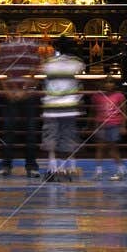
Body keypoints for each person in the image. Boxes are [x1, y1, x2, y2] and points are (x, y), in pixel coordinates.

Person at [0, 34, 42, 176]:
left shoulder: (32, 46)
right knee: (10, 130)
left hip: (26, 95)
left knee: (30, 131)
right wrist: (9, 90)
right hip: (13, 94)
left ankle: (31, 165)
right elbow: (0, 70)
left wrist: (25, 88)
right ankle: (7, 164)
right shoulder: (4, 48)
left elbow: (37, 69)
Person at [41, 37, 85, 180]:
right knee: (67, 136)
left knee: (52, 137)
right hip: (70, 106)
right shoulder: (76, 62)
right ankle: (68, 168)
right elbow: (81, 68)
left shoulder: (49, 63)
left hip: (52, 106)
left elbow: (43, 73)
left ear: (56, 48)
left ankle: (52, 167)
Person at [90, 68, 127, 180]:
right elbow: (93, 111)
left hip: (114, 124)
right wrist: (91, 125)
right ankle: (98, 171)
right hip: (101, 124)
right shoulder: (97, 96)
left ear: (115, 84)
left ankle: (121, 170)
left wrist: (123, 126)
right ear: (102, 84)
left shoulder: (119, 96)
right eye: (106, 82)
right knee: (100, 148)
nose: (108, 84)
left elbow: (124, 111)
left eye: (111, 82)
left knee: (113, 148)